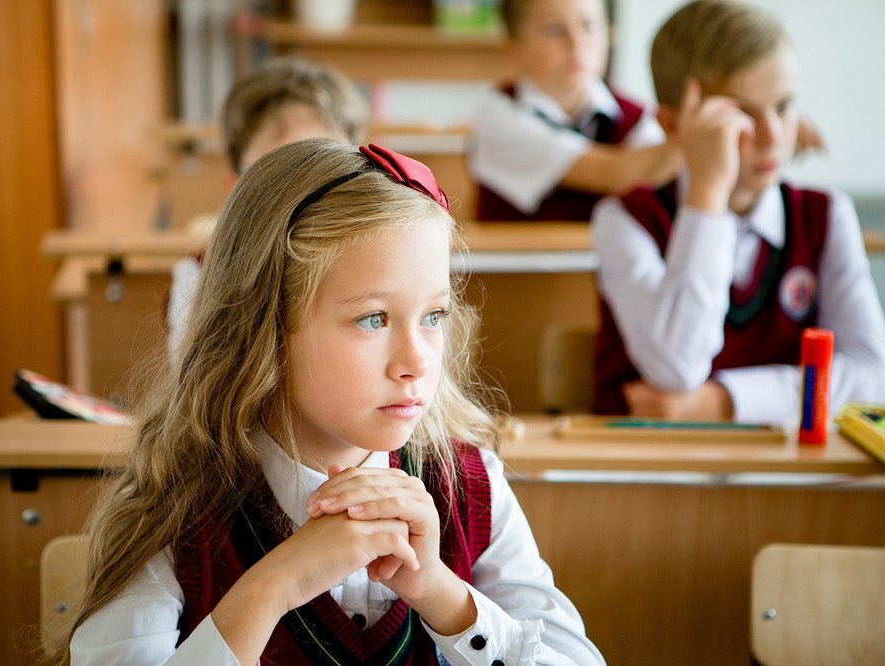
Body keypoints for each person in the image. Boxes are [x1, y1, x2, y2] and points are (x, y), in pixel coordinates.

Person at [60, 139, 605, 665]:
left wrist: (443, 595)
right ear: (264, 329)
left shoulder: (468, 483)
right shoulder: (179, 496)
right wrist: (272, 588)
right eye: (374, 319)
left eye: (434, 316)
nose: (415, 362)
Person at [591, 0, 885, 424]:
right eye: (742, 114)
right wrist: (709, 195)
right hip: (655, 481)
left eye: (783, 107)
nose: (772, 136)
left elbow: (872, 377)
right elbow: (676, 368)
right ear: (673, 127)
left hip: (785, 478)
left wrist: (722, 402)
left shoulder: (826, 214)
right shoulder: (624, 219)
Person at [166, 56, 368, 361]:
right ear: (236, 190)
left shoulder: (375, 261)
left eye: (326, 171)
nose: (304, 193)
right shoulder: (200, 276)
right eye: (276, 175)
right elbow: (196, 380)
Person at [468, 0, 683, 221]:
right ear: (514, 50)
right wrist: (691, 137)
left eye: (588, 25)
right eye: (555, 30)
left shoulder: (637, 116)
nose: (576, 42)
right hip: (515, 255)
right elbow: (611, 172)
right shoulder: (498, 115)